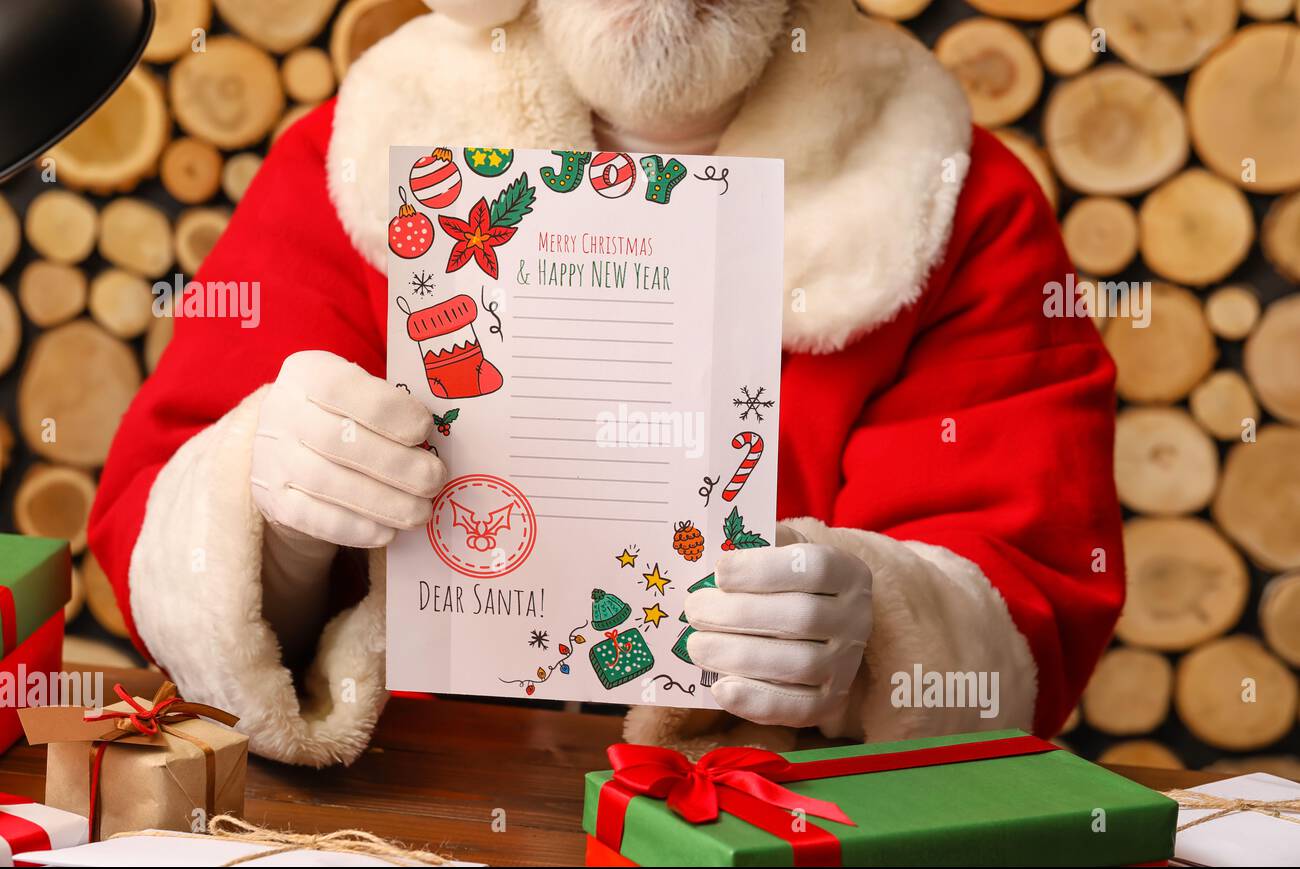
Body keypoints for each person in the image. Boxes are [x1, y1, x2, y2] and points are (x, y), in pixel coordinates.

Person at [89, 0, 1123, 765]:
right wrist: (271, 505)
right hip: (395, 808)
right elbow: (149, 531)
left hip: (776, 830)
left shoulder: (954, 196)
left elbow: (1032, 598)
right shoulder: (352, 156)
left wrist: (881, 630)